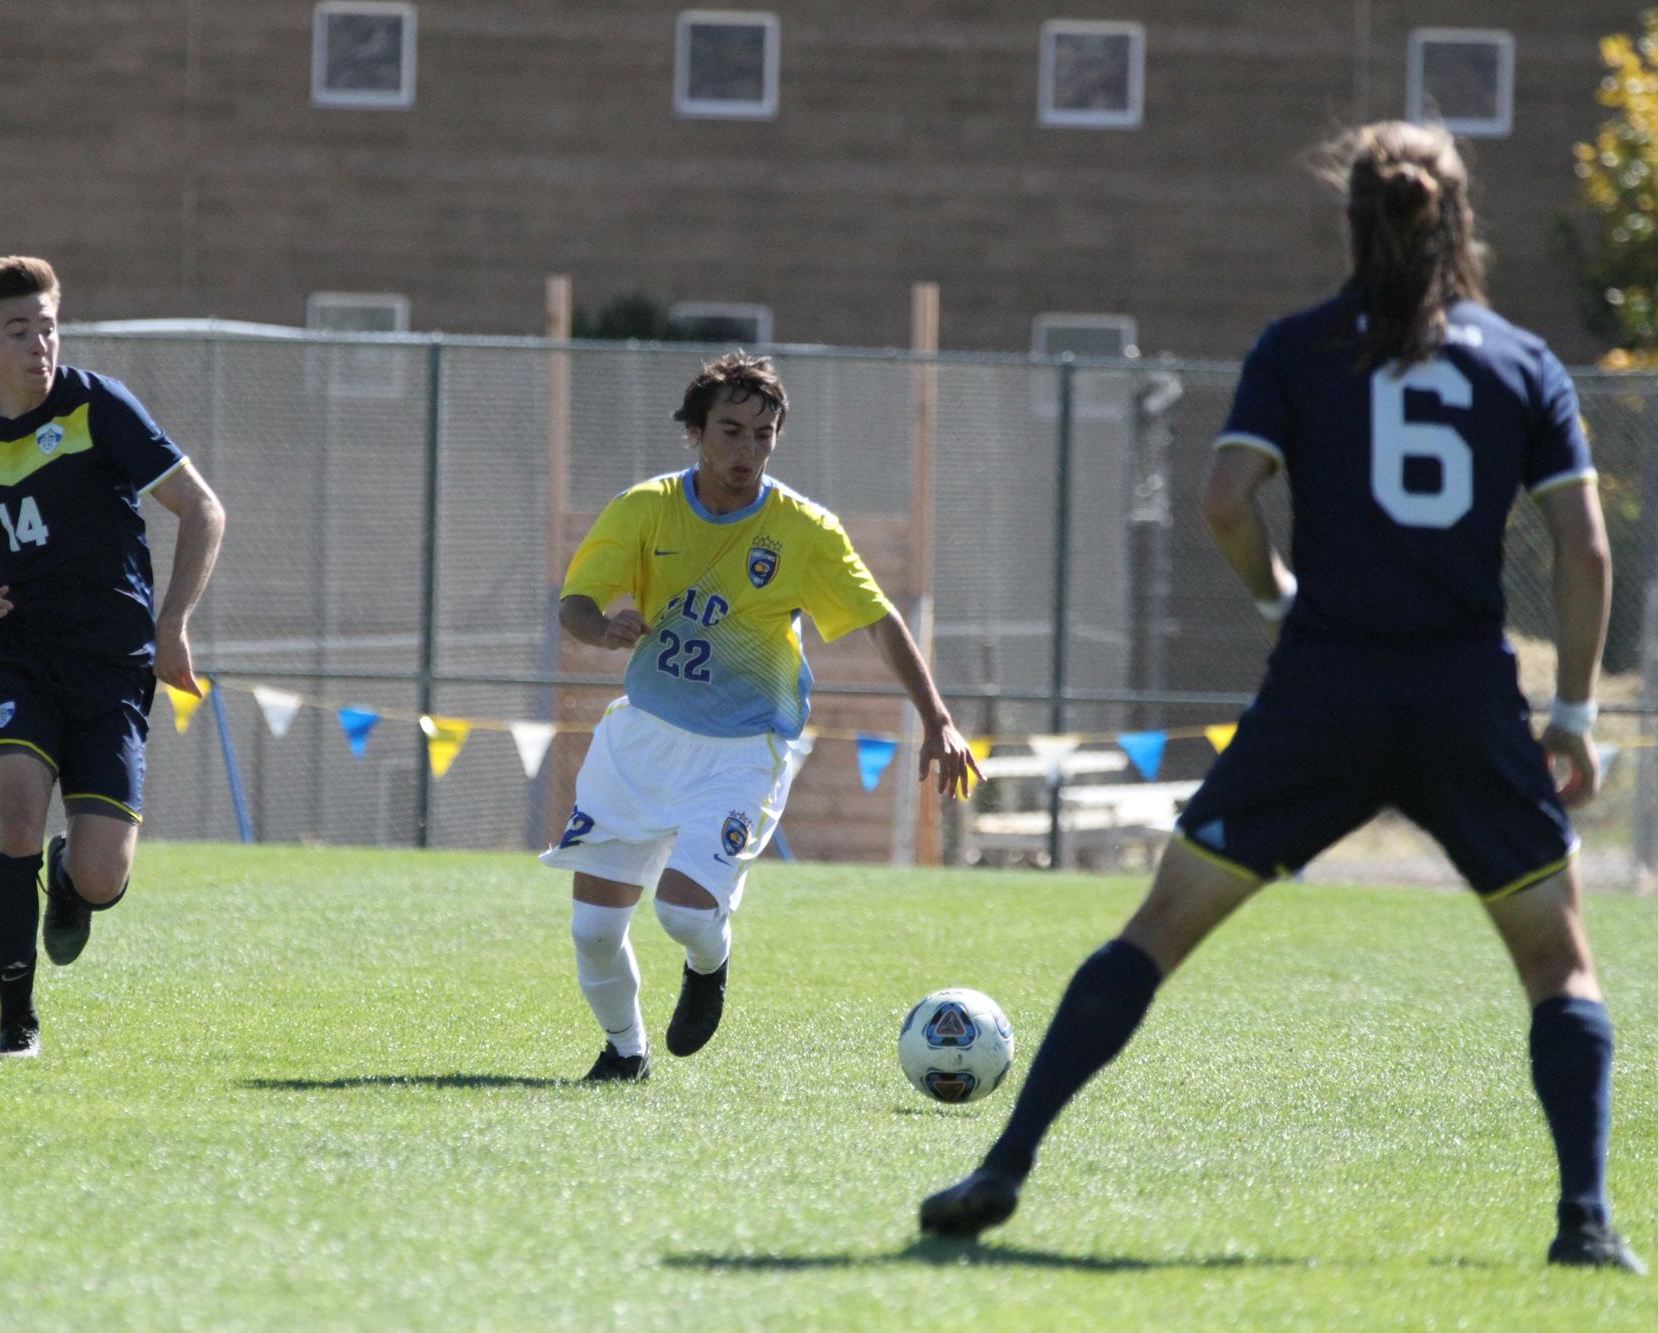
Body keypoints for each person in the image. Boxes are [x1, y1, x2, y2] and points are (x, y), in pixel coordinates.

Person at [919, 123, 1641, 1273]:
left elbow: (1220, 498)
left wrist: (1271, 599)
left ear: (1351, 218)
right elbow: (1584, 551)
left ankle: (1003, 1163)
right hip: (1463, 701)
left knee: (1151, 935)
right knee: (1558, 968)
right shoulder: (1520, 363)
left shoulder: (1295, 348)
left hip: (1321, 694)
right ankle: (1584, 1223)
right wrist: (1569, 720)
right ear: (1459, 220)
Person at [541, 351, 981, 1082]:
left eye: (763, 435)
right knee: (592, 930)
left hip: (743, 748)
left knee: (682, 914)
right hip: (641, 739)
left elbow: (878, 619)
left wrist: (937, 718)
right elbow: (575, 604)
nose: (746, 451)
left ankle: (708, 965)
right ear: (694, 431)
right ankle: (626, 1052)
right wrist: (600, 629)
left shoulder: (802, 528)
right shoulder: (644, 509)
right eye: (731, 430)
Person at [0, 256, 226, 1059]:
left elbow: (202, 508)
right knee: (14, 816)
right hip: (18, 656)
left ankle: (73, 872)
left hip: (113, 664)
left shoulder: (97, 406)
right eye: (20, 331)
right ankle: (15, 1023)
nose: (40, 344)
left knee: (100, 878)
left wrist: (173, 626)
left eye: (49, 326)